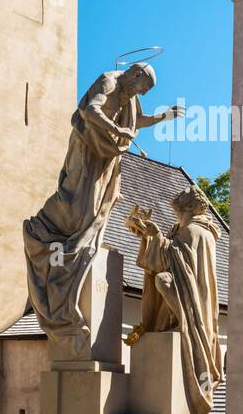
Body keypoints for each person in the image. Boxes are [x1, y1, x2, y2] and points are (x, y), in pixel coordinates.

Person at [24, 63, 181, 348]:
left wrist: (163, 117)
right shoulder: (109, 82)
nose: (140, 94)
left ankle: (91, 235)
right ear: (135, 74)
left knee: (102, 203)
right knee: (79, 201)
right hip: (88, 147)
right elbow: (90, 111)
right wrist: (117, 130)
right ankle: (46, 227)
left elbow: (138, 121)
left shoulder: (130, 94)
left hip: (108, 154)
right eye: (141, 88)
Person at [125, 184, 223, 414]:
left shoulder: (193, 231)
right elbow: (173, 257)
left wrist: (153, 235)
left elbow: (176, 265)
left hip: (188, 307)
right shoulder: (194, 232)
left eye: (184, 195)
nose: (179, 195)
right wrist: (150, 234)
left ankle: (177, 321)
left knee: (163, 281)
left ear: (189, 206)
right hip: (193, 307)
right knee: (163, 280)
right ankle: (170, 323)